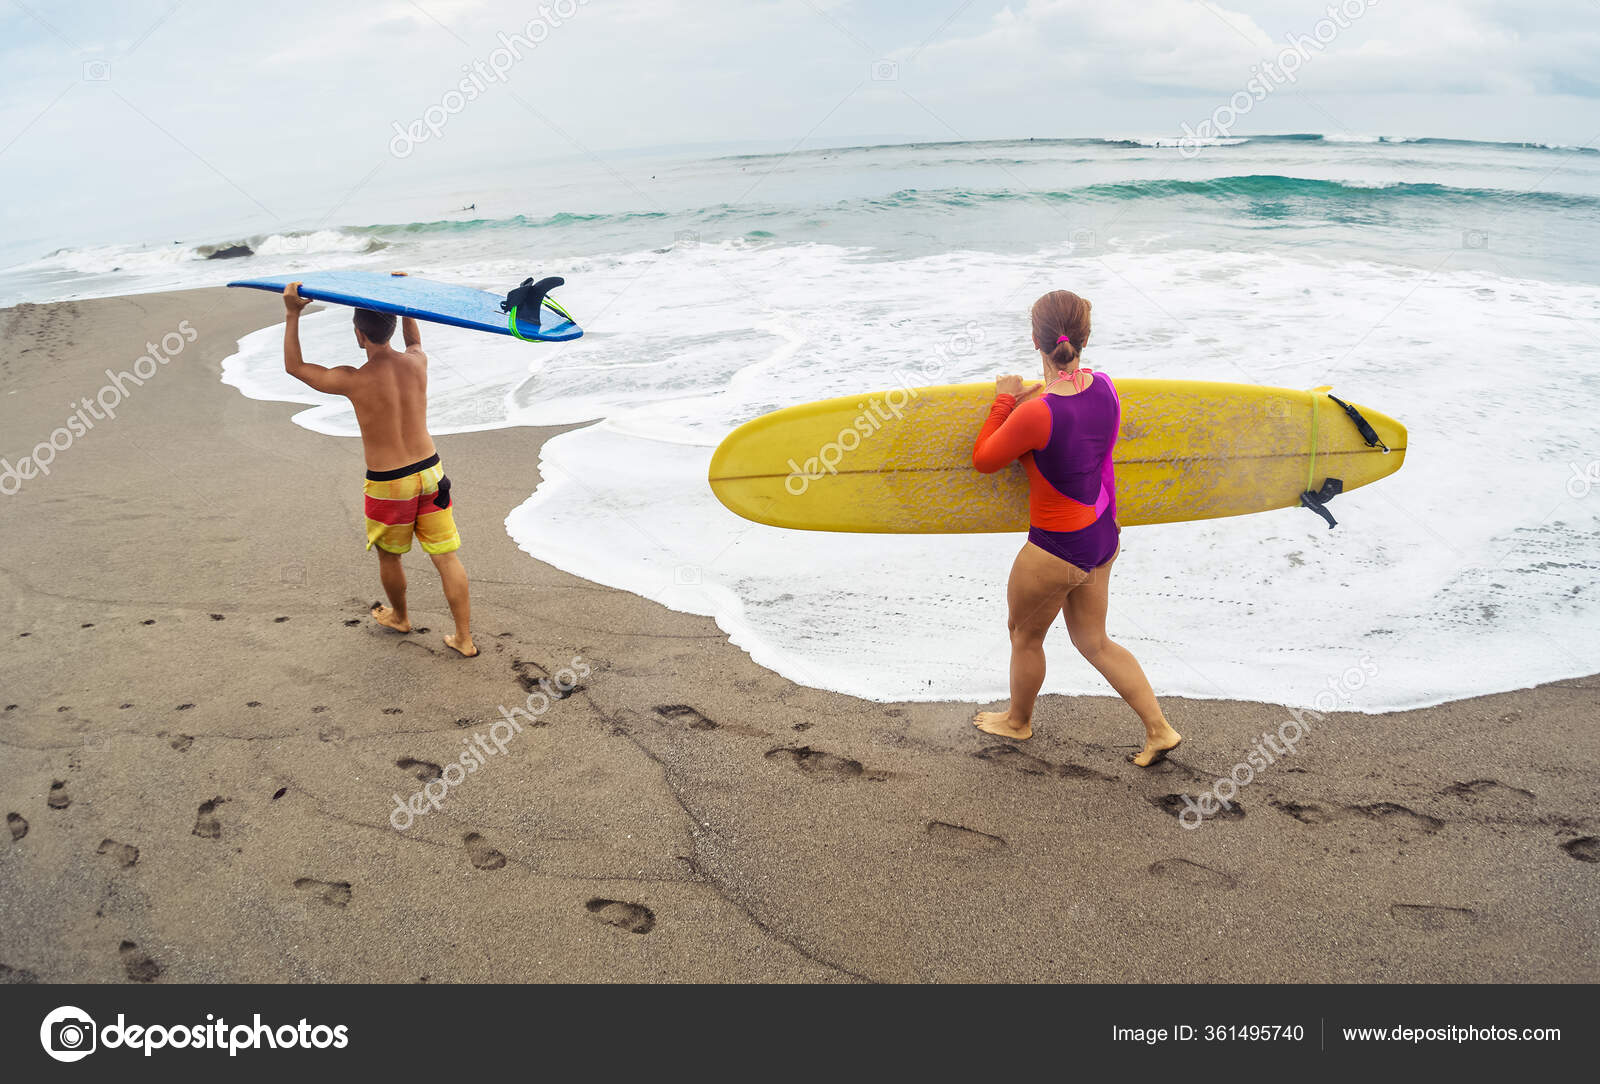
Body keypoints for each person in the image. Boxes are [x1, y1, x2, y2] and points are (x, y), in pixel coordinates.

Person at [970, 289, 1179, 765]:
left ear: (1035, 340)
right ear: (1084, 338)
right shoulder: (1105, 387)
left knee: (1025, 636)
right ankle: (1159, 729)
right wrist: (1114, 524)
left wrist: (1003, 402)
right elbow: (1102, 460)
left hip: (1055, 548)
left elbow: (984, 460)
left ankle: (1018, 722)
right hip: (1102, 536)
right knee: (1094, 641)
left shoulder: (1035, 413)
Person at [280, 282, 477, 658]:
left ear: (358, 335)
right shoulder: (417, 362)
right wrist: (408, 304)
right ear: (392, 328)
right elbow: (414, 341)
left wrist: (292, 314)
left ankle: (400, 617)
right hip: (431, 473)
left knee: (390, 556)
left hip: (390, 485)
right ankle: (464, 639)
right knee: (446, 558)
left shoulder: (354, 380)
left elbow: (295, 367)